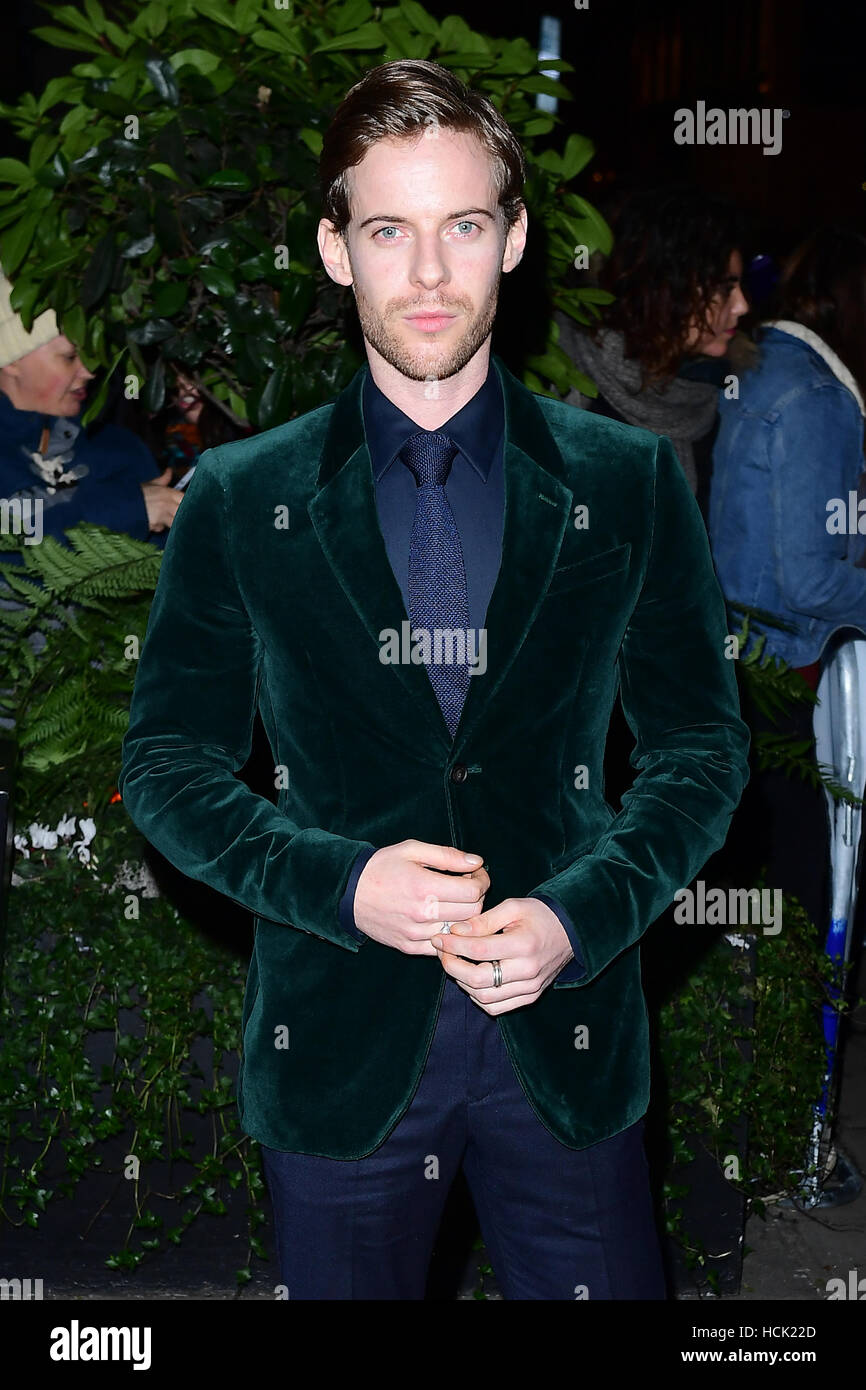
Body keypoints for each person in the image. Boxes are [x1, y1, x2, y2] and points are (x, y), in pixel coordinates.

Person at [119, 59, 750, 1301]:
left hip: (563, 1044)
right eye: (386, 230)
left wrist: (579, 912)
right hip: (339, 1045)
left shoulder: (625, 483)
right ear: (333, 248)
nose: (425, 273)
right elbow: (167, 765)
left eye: (461, 225)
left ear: (512, 240)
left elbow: (699, 752)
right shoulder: (243, 499)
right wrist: (341, 880)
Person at [709, 227, 866, 935]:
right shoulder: (816, 396)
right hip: (780, 676)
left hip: (737, 660)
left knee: (756, 903)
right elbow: (808, 579)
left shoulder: (762, 361)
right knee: (801, 893)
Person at [557, 185, 750, 515]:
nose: (742, 306)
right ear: (664, 288)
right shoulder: (571, 400)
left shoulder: (707, 391)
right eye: (724, 288)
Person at [0, 274, 181, 547]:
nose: (89, 370)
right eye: (70, 357)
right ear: (12, 360)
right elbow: (11, 551)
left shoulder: (119, 449)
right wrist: (127, 510)